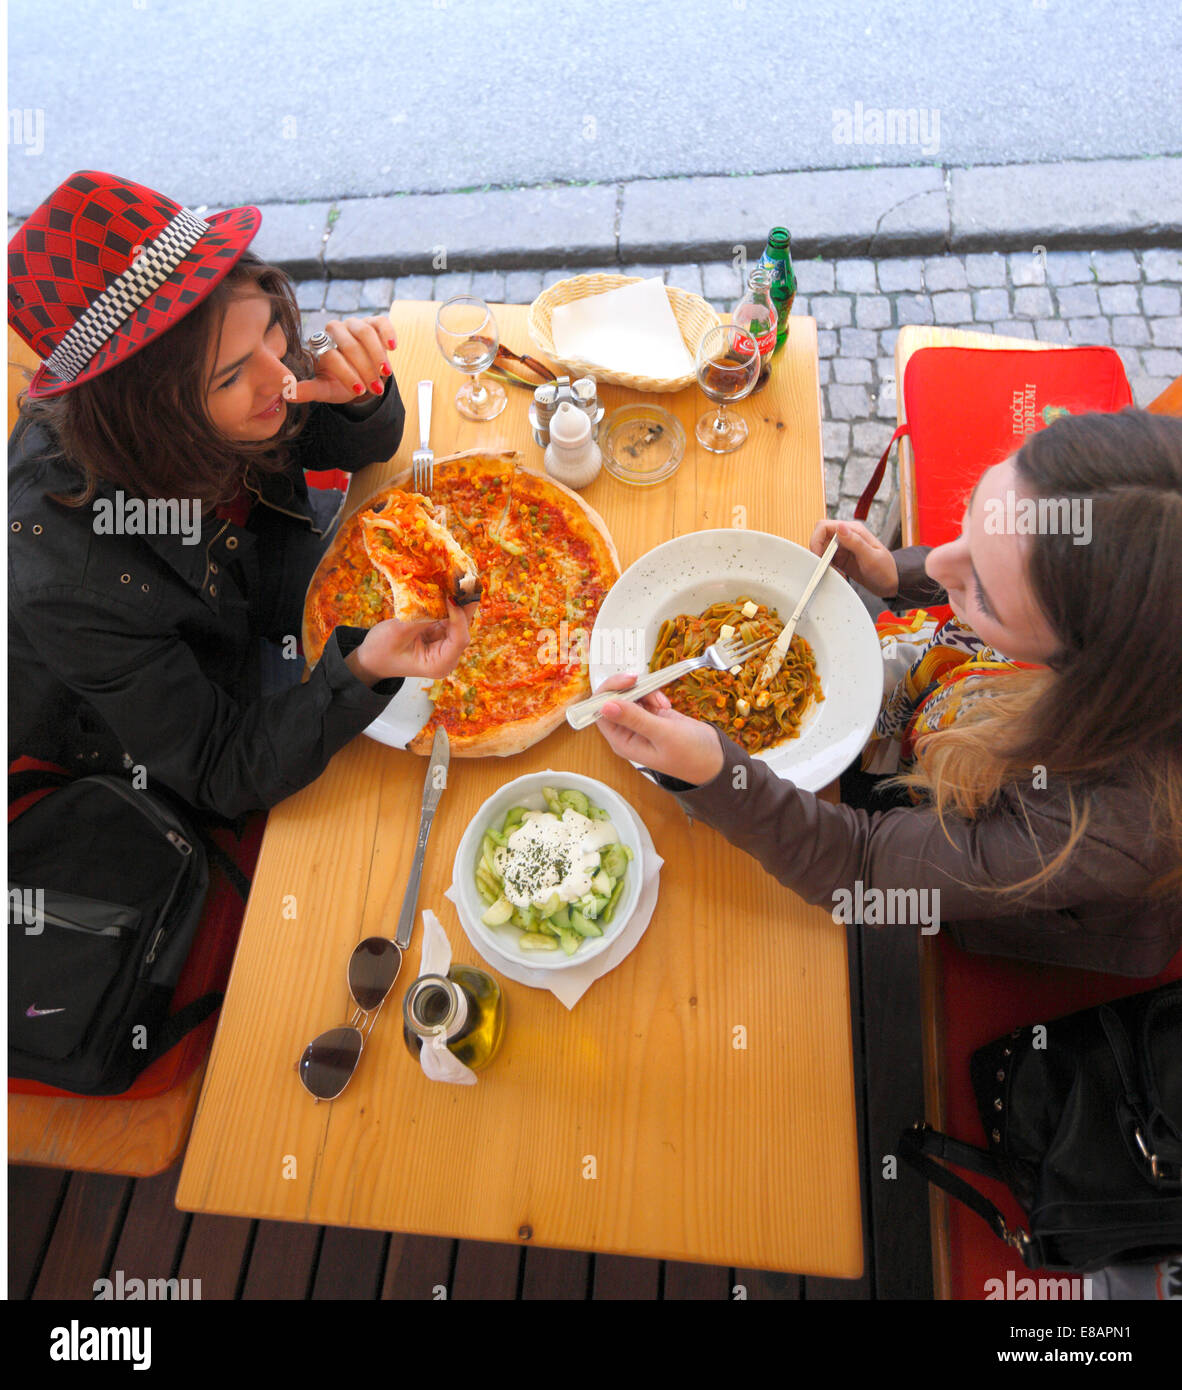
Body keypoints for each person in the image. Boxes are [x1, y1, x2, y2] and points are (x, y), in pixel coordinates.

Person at [593, 410, 1182, 976]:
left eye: (984, 594)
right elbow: (1009, 565)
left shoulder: (1108, 824)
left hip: (992, 892)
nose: (944, 561)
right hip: (946, 692)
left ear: (1084, 672)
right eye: (973, 522)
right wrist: (903, 576)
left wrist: (716, 774)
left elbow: (864, 872)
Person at [8, 170, 473, 818]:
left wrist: (362, 398)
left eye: (270, 334)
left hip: (261, 569)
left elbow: (361, 448)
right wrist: (362, 670)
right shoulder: (65, 578)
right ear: (146, 413)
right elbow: (219, 767)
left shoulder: (224, 346)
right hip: (174, 704)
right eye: (233, 376)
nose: (280, 376)